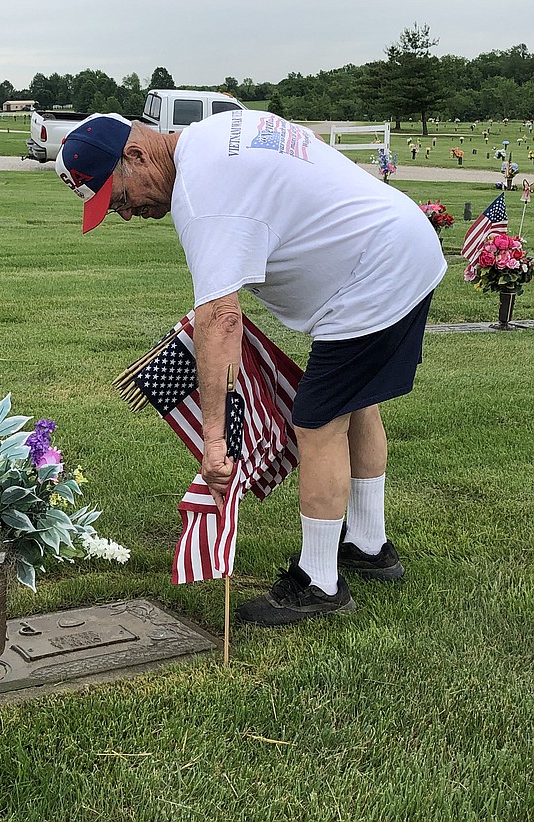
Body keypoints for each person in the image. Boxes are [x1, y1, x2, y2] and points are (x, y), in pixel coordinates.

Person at [55, 111, 446, 627]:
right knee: (356, 402)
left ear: (136, 155)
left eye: (120, 199)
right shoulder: (216, 133)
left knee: (317, 421)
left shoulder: (201, 195)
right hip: (399, 244)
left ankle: (320, 582)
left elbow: (219, 318)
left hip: (374, 273)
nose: (126, 215)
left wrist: (214, 440)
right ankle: (368, 546)